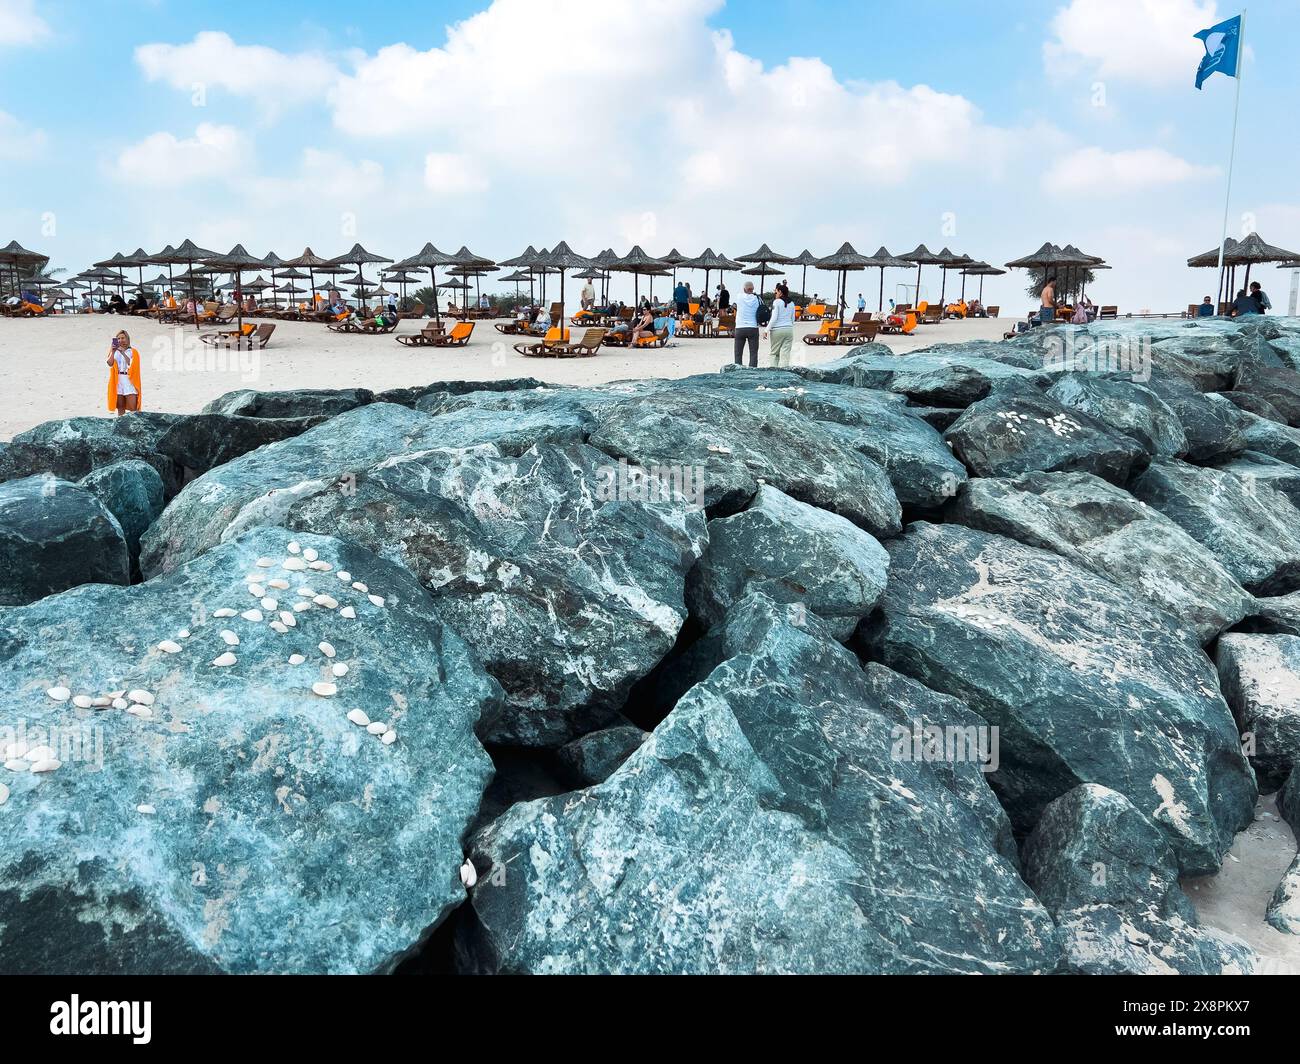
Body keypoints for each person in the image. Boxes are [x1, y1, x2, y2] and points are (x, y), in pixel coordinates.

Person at [105, 329, 142, 416]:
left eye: (122, 338)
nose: (120, 340)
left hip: (130, 380)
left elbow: (131, 364)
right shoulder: (114, 351)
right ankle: (121, 427)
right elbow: (109, 364)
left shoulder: (133, 352)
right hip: (117, 380)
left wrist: (123, 352)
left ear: (127, 339)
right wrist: (113, 351)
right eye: (118, 338)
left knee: (133, 409)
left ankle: (134, 428)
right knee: (120, 408)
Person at [764, 282, 795, 369]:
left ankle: (774, 372)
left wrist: (766, 330)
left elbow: (774, 318)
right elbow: (793, 319)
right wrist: (788, 325)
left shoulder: (776, 302)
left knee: (774, 353)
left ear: (780, 292)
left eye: (776, 292)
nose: (775, 294)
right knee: (785, 353)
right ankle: (784, 372)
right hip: (789, 330)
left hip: (777, 330)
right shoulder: (792, 303)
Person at [733, 281, 761, 368]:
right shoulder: (757, 298)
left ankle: (738, 370)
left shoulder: (739, 297)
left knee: (738, 353)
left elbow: (734, 306)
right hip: (753, 327)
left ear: (744, 289)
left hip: (740, 328)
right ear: (753, 289)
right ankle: (752, 370)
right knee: (753, 353)